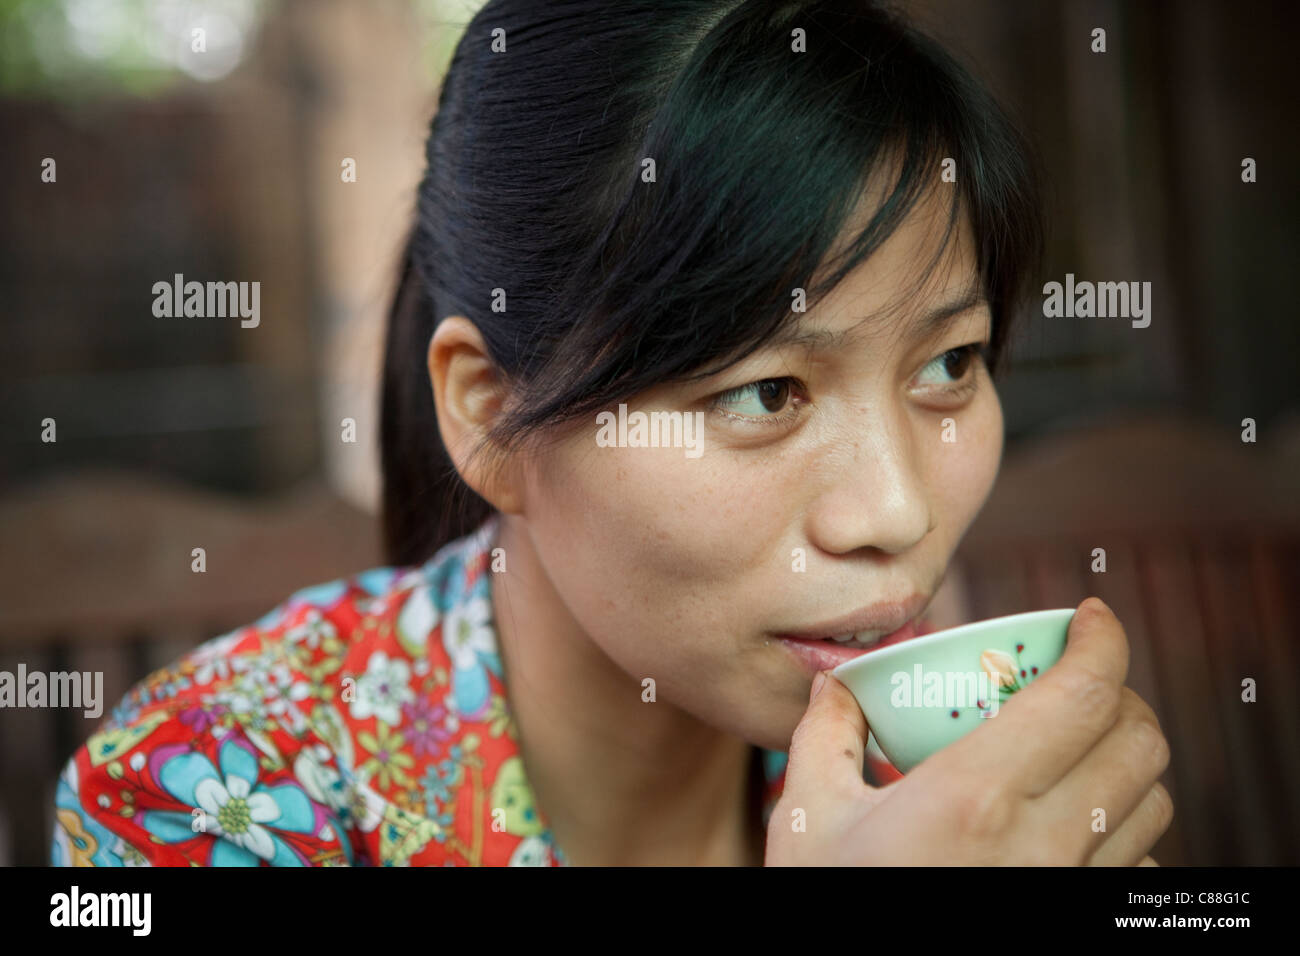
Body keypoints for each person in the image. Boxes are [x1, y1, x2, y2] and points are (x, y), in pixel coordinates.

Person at [51, 0, 1171, 866]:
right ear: (490, 415)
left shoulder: (934, 747)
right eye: (765, 392)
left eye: (948, 364)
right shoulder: (198, 790)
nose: (899, 511)